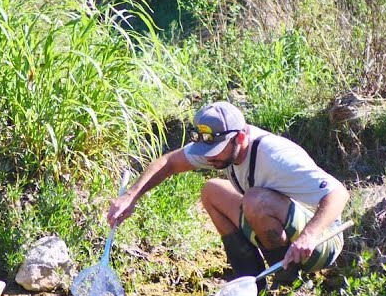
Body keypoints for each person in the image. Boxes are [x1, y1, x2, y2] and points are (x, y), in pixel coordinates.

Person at [107, 101, 349, 281]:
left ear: (240, 138)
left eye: (217, 150)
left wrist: (310, 235)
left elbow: (338, 193)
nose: (209, 157)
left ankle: (286, 282)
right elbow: (169, 163)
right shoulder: (220, 152)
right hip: (284, 230)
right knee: (212, 191)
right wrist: (131, 196)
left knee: (255, 200)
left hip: (321, 242)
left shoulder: (276, 156)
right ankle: (249, 281)